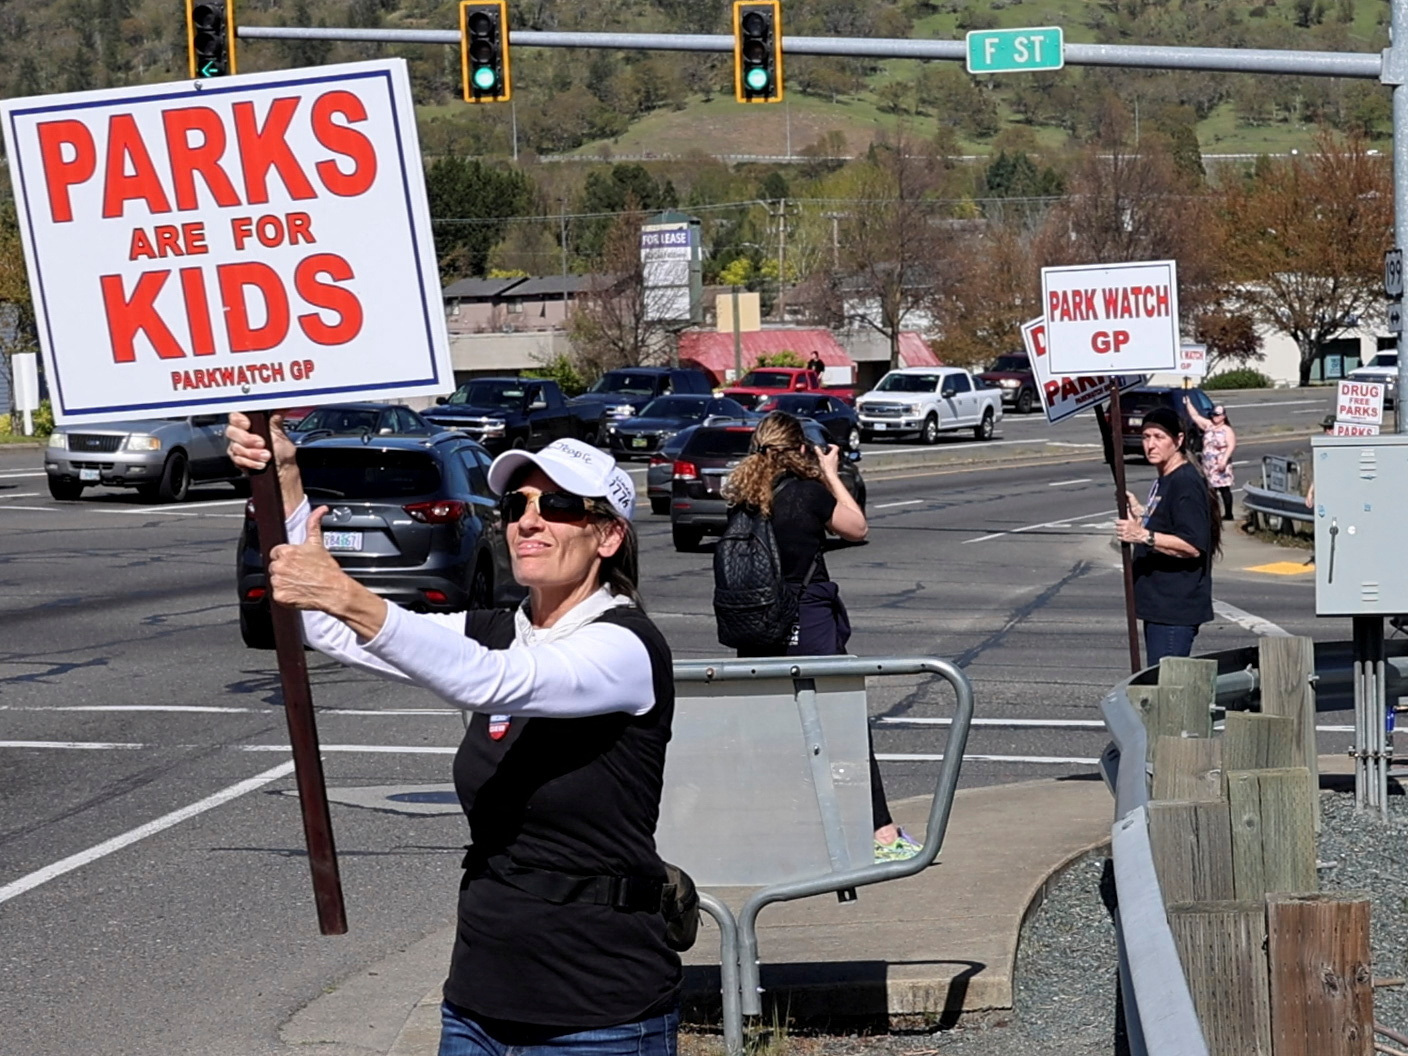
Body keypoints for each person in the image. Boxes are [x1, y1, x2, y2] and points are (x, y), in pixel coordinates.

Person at [225, 416, 680, 1056]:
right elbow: (326, 632)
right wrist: (287, 481)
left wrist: (347, 594)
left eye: (556, 505)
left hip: (597, 1010)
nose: (528, 520)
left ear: (608, 536)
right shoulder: (498, 627)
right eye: (516, 503)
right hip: (479, 1000)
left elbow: (489, 682)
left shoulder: (625, 648)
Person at [721, 411, 919, 862]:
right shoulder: (807, 493)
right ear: (801, 450)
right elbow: (856, 526)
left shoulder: (744, 497)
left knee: (770, 729)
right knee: (841, 721)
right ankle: (881, 831)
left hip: (756, 622)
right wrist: (830, 474)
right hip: (805, 619)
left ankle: (774, 831)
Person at [1113, 406, 1222, 667]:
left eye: (1159, 437)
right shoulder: (1165, 478)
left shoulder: (1184, 482)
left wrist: (1142, 535)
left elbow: (1192, 544)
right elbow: (1170, 524)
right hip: (1159, 607)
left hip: (1174, 612)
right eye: (1145, 437)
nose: (1150, 445)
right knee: (1158, 686)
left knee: (1167, 693)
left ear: (1179, 440)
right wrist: (1141, 513)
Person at [1184, 396, 1237, 521]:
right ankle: (1212, 513)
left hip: (1220, 462)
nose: (1215, 417)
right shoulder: (1209, 426)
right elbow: (1195, 416)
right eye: (1213, 414)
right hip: (1208, 464)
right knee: (1210, 490)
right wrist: (1188, 403)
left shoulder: (1226, 430)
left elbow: (1231, 445)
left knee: (1224, 488)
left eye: (1218, 415)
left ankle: (1229, 514)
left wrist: (1224, 460)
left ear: (1223, 416)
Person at [1305, 413, 1336, 508]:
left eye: (1330, 428)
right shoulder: (1322, 450)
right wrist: (1310, 492)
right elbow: (1318, 474)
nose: (1327, 431)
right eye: (1325, 429)